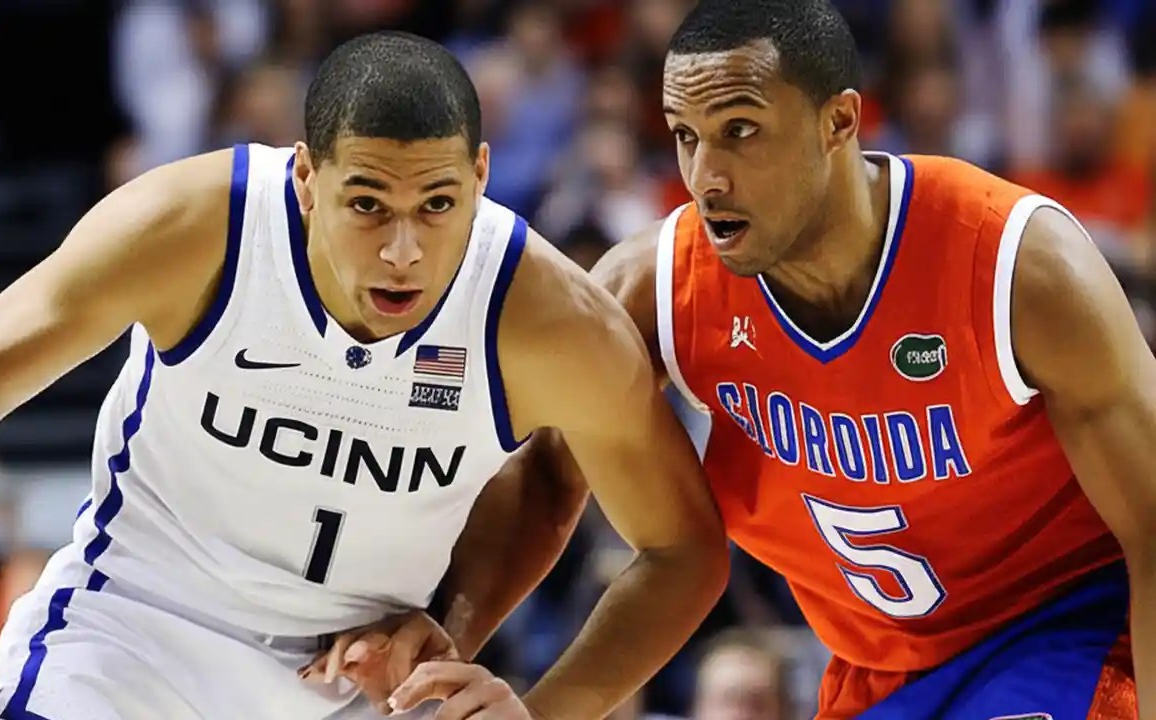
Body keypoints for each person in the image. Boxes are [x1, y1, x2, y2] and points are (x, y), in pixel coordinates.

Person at [333, 1, 1153, 717]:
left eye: (740, 131)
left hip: (1071, 631)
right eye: (685, 137)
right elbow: (548, 477)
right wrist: (452, 632)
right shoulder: (659, 286)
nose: (705, 175)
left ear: (839, 122)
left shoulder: (1013, 265)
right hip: (878, 670)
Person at [0, 31, 728, 720]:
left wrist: (518, 686)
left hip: (353, 688)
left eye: (438, 205)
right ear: (307, 177)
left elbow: (681, 549)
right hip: (125, 638)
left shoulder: (548, 320)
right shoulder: (191, 227)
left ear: (480, 177)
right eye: (368, 205)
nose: (405, 251)